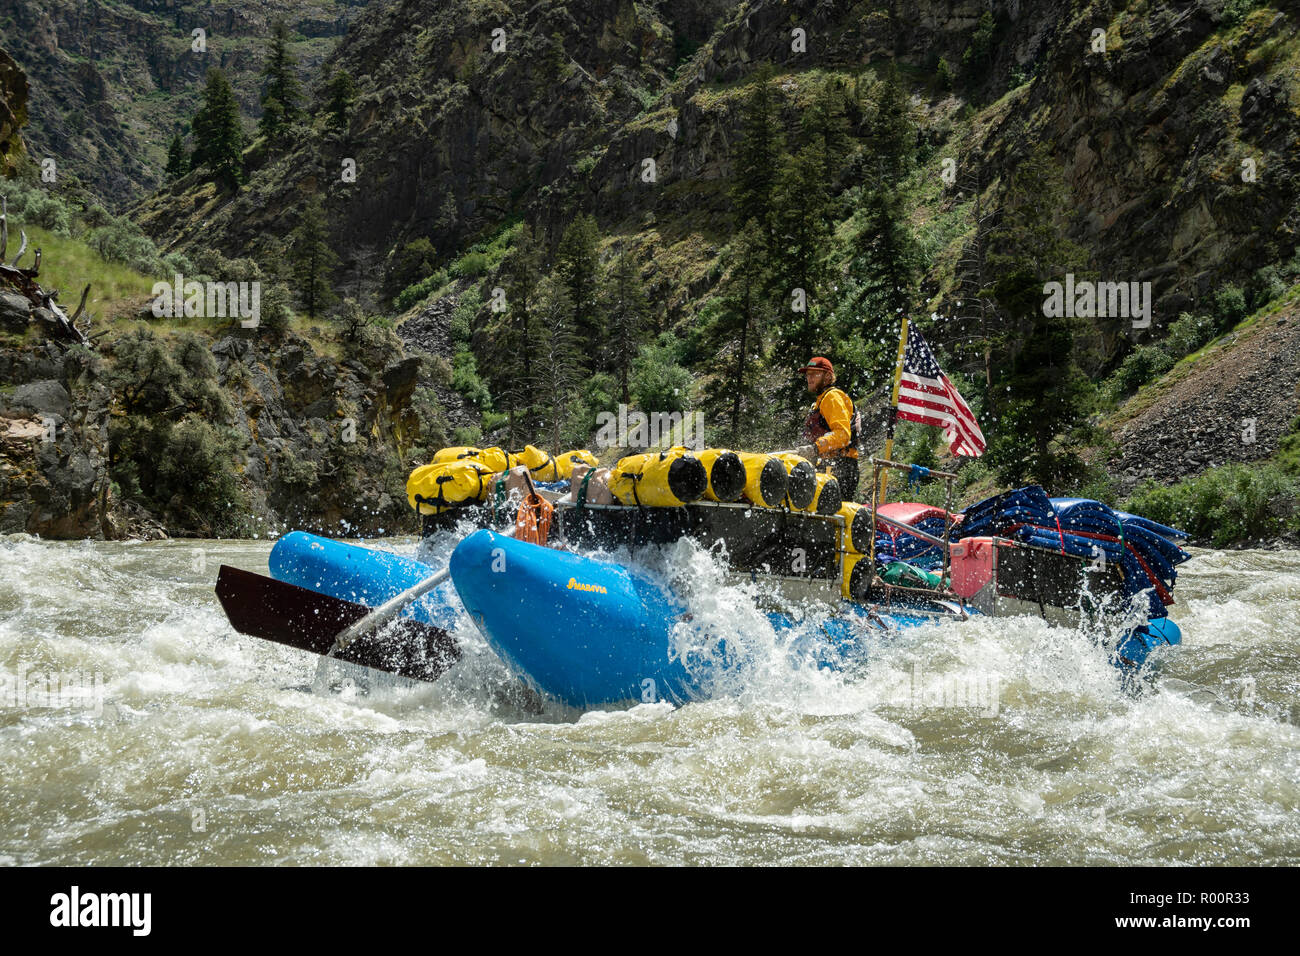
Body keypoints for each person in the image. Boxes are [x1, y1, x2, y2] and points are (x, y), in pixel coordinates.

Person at [794, 357, 860, 499]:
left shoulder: (832, 397)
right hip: (830, 465)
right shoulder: (820, 401)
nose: (809, 378)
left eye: (814, 374)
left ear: (828, 376)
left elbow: (843, 435)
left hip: (841, 467)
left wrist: (815, 448)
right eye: (807, 374)